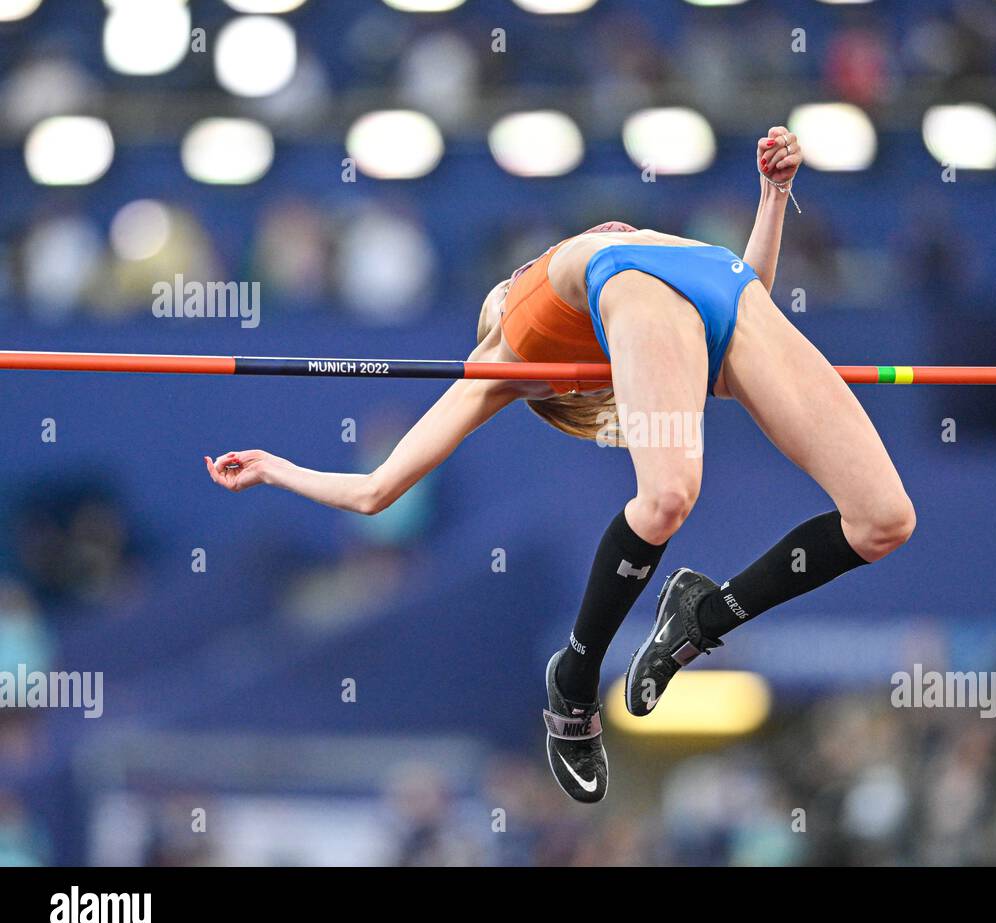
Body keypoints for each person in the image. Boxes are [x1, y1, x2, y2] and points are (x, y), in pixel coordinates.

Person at [205, 126, 915, 802]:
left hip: (728, 287)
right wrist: (274, 468)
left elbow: (739, 303)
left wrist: (771, 196)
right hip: (650, 290)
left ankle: (705, 614)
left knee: (884, 520)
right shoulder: (498, 362)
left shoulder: (622, 326)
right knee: (668, 497)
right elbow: (375, 490)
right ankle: (575, 679)